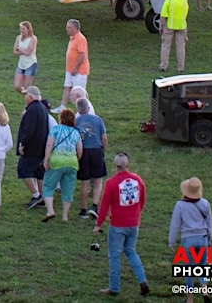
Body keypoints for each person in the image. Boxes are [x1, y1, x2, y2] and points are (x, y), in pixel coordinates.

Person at [94, 153, 149, 296]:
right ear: (127, 165)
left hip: (118, 225)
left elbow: (104, 206)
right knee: (131, 251)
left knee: (114, 255)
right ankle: (142, 280)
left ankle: (114, 287)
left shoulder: (111, 183)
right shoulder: (138, 180)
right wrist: (137, 215)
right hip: (133, 223)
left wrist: (98, 224)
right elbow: (142, 201)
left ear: (115, 165)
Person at [169, 177, 212, 303]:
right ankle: (205, 290)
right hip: (203, 238)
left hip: (187, 240)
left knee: (188, 269)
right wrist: (209, 240)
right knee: (202, 266)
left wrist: (171, 241)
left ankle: (190, 299)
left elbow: (175, 225)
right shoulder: (205, 204)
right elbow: (209, 224)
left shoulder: (180, 205)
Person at [74, 97, 108, 221]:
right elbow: (104, 138)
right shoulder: (97, 119)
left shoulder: (76, 121)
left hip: (83, 151)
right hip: (96, 150)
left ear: (78, 109)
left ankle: (83, 210)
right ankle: (94, 206)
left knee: (85, 182)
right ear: (88, 108)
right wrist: (102, 150)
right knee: (98, 181)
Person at [18, 86, 50, 208]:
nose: (25, 97)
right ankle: (42, 198)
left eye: (26, 95)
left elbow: (29, 129)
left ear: (30, 96)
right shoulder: (42, 108)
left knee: (23, 170)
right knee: (38, 172)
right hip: (41, 146)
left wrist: (23, 144)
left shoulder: (31, 110)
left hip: (31, 148)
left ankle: (37, 195)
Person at [159, 0, 189, 72]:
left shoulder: (169, 0)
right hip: (181, 26)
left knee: (165, 46)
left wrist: (161, 26)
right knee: (180, 47)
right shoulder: (185, 0)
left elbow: (163, 15)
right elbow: (186, 13)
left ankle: (164, 65)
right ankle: (180, 67)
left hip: (169, 26)